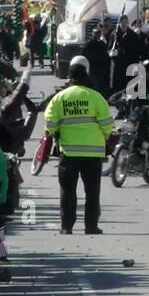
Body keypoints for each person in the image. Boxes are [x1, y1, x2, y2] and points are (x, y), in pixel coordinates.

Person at [44, 56, 114, 234]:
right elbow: (108, 125)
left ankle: (66, 227)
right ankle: (91, 226)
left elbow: (50, 125)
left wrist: (56, 132)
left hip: (68, 153)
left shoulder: (60, 98)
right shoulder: (96, 97)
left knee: (67, 192)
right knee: (92, 193)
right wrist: (104, 138)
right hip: (93, 155)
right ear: (86, 75)